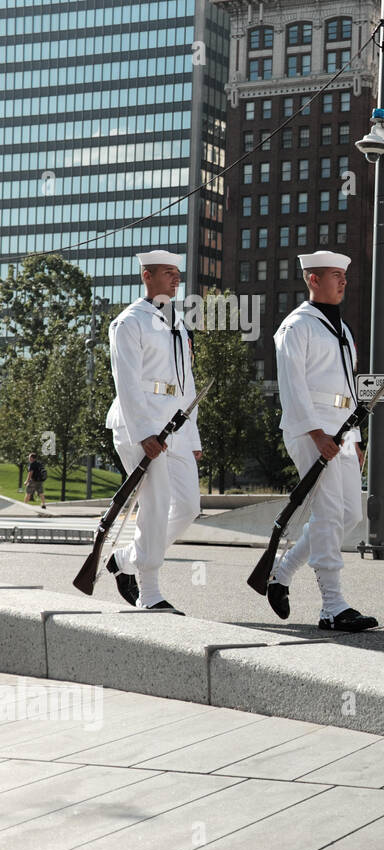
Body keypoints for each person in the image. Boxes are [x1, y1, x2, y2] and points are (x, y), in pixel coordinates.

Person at [265, 251, 377, 632]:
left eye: (344, 276)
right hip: (312, 429)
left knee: (349, 515)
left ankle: (282, 571)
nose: (343, 282)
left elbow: (349, 387)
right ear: (313, 280)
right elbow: (292, 386)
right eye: (334, 276)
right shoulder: (296, 327)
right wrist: (317, 433)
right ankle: (332, 606)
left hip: (342, 431)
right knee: (329, 514)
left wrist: (356, 440)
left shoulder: (342, 329)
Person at [103, 250, 203, 611]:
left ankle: (126, 559)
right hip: (140, 425)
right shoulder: (129, 322)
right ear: (147, 276)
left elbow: (186, 384)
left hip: (175, 426)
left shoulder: (178, 323)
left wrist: (193, 437)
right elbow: (126, 383)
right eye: (167, 273)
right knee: (156, 504)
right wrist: (144, 431)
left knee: (189, 506)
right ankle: (149, 593)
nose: (176, 279)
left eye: (178, 273)